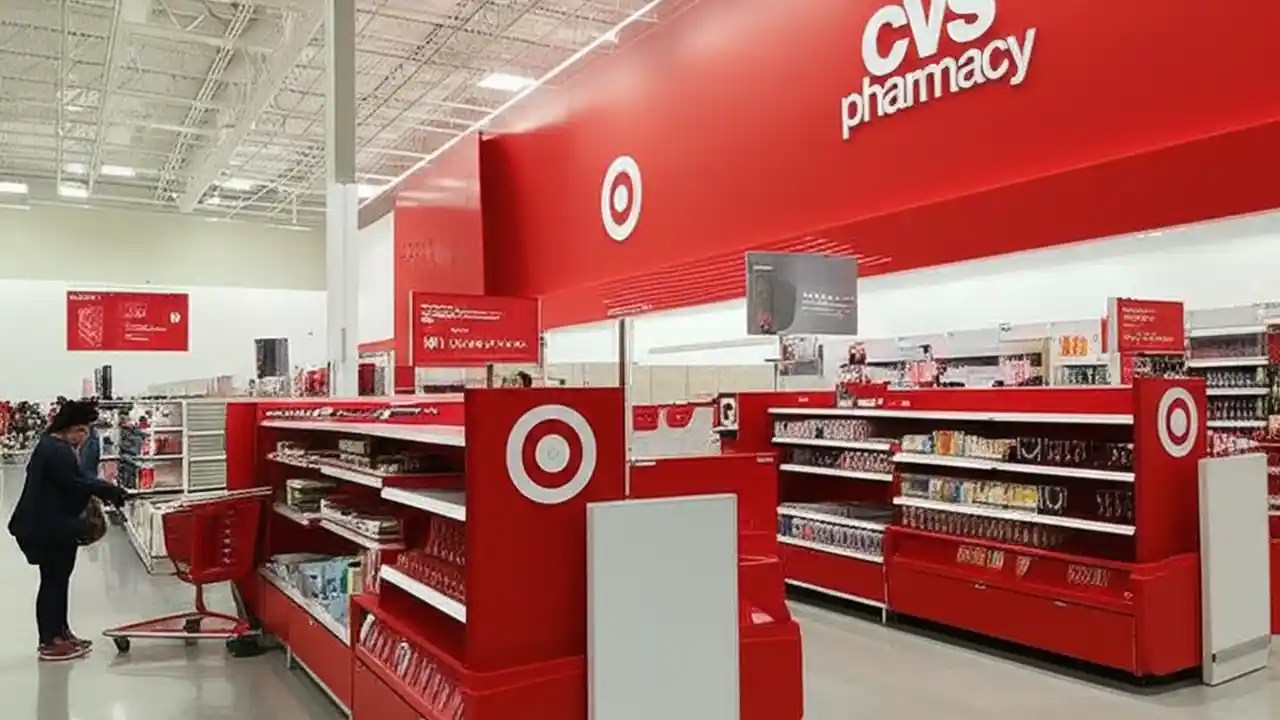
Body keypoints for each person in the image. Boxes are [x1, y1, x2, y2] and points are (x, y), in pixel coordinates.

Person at [8, 400, 126, 661]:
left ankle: (61, 632)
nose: (84, 437)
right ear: (71, 428)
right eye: (82, 431)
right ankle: (50, 640)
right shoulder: (57, 451)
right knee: (53, 583)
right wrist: (107, 490)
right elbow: (75, 483)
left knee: (58, 581)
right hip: (48, 528)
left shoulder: (52, 445)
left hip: (51, 525)